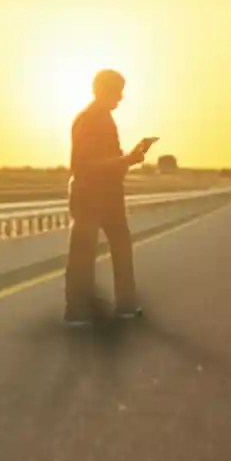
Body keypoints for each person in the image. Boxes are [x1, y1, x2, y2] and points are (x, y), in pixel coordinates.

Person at [64, 69, 155, 325]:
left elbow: (110, 161)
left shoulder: (104, 119)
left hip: (109, 195)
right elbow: (86, 165)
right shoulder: (88, 120)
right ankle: (77, 311)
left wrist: (129, 159)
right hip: (89, 195)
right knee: (83, 253)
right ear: (104, 90)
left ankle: (125, 305)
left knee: (120, 249)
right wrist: (127, 159)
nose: (121, 97)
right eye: (117, 91)